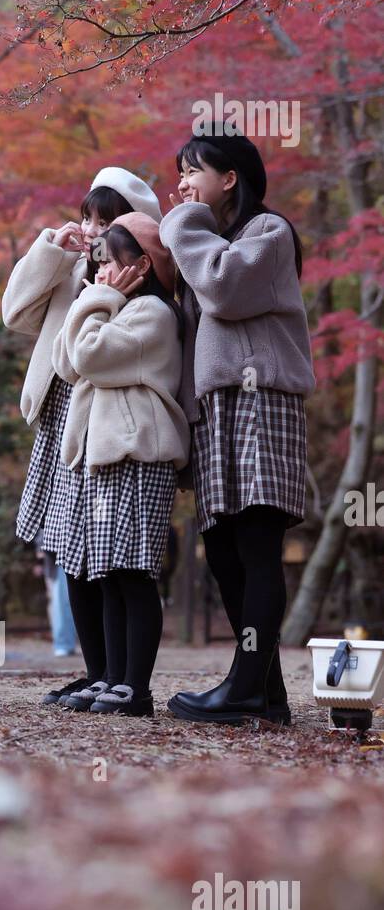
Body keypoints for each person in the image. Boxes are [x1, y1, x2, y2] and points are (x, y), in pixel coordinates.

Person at [159, 131, 314, 725]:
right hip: (218, 408)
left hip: (263, 400)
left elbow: (223, 290)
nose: (180, 183)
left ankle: (244, 685)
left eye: (191, 170)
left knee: (257, 545)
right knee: (223, 551)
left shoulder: (267, 235)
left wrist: (181, 224)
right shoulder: (207, 242)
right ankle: (265, 693)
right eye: (178, 172)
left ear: (230, 178)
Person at [3, 167, 165, 708]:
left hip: (105, 419)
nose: (93, 230)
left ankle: (118, 676)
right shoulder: (76, 268)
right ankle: (98, 672)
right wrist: (51, 249)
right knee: (69, 549)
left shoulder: (137, 287)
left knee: (104, 552)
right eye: (87, 217)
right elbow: (14, 314)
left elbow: (99, 353)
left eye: (107, 219)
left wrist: (103, 292)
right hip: (61, 419)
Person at [49, 213, 189, 716]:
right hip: (104, 455)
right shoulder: (114, 308)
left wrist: (96, 300)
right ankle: (111, 677)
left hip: (138, 452)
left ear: (143, 263)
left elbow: (88, 356)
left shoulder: (153, 312)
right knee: (107, 573)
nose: (100, 271)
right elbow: (65, 363)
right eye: (99, 262)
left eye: (109, 261)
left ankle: (136, 687)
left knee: (133, 573)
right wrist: (97, 299)